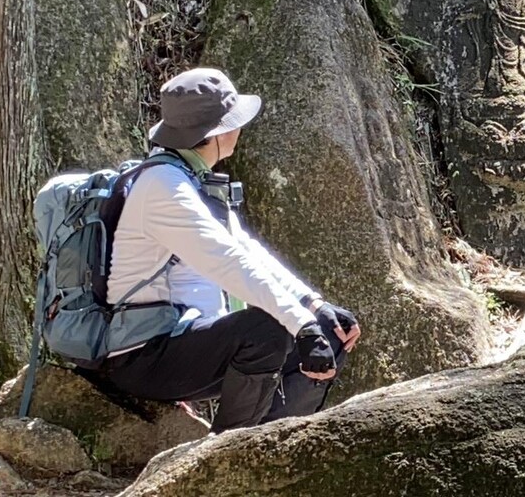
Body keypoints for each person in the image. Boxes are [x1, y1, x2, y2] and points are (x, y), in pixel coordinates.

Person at [97, 67, 360, 432]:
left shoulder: (190, 179)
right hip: (141, 356)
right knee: (268, 328)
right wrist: (299, 324)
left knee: (333, 334)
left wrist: (314, 307)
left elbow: (247, 250)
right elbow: (227, 261)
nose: (240, 129)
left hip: (182, 342)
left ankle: (274, 444)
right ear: (216, 132)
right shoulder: (162, 187)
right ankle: (229, 455)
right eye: (234, 121)